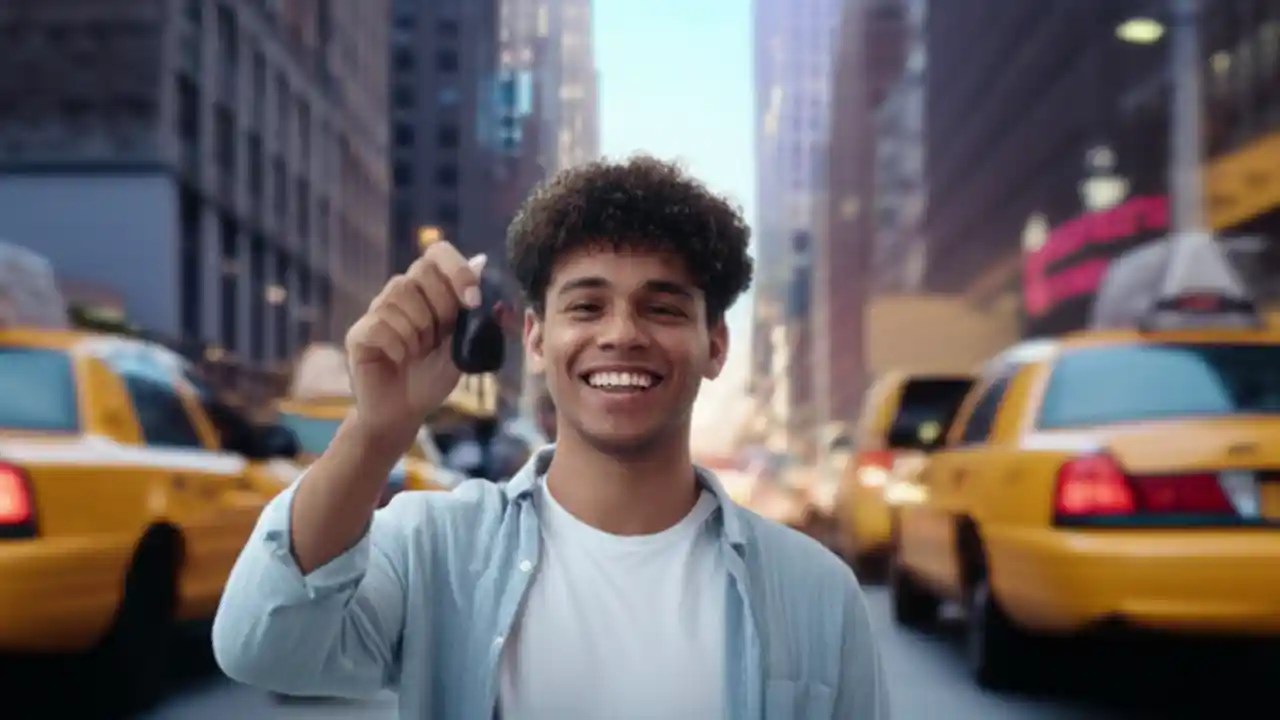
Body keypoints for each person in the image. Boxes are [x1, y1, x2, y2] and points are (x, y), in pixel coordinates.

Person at [211, 156, 889, 719]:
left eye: (662, 307)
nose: (621, 332)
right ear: (535, 337)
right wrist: (377, 428)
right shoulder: (435, 546)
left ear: (715, 345)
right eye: (586, 306)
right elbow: (262, 646)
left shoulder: (817, 592)